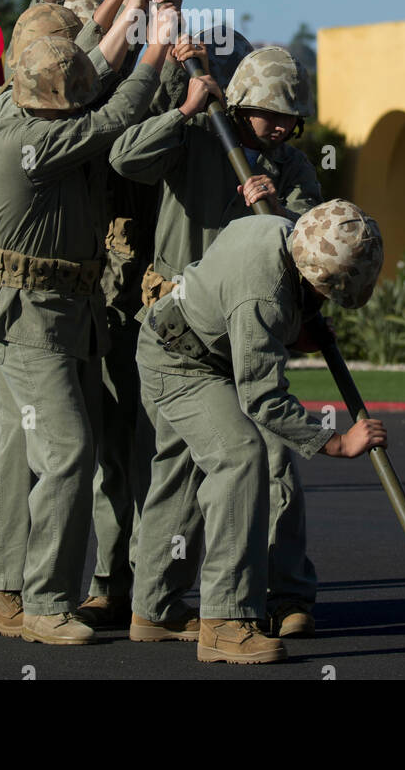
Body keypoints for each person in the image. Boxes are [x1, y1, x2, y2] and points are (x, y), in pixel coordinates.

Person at [0, 0, 179, 646]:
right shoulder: (44, 141)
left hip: (26, 301)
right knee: (68, 451)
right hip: (36, 311)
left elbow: (84, 57)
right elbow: (116, 109)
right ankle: (45, 602)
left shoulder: (7, 104)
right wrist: (159, 39)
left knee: (16, 445)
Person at [110, 42, 324, 636]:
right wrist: (183, 110)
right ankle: (156, 603)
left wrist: (272, 204)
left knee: (275, 457)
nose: (279, 127)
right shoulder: (200, 135)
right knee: (175, 467)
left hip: (248, 331)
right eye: (268, 115)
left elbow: (310, 247)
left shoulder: (293, 168)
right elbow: (127, 159)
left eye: (289, 118)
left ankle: (287, 594)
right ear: (240, 103)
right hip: (181, 330)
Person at [131, 200, 387, 664]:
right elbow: (263, 398)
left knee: (182, 477)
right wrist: (337, 442)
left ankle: (156, 608)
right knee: (240, 456)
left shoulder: (278, 228)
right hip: (184, 364)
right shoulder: (263, 296)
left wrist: (300, 316)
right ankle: (226, 621)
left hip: (191, 342)